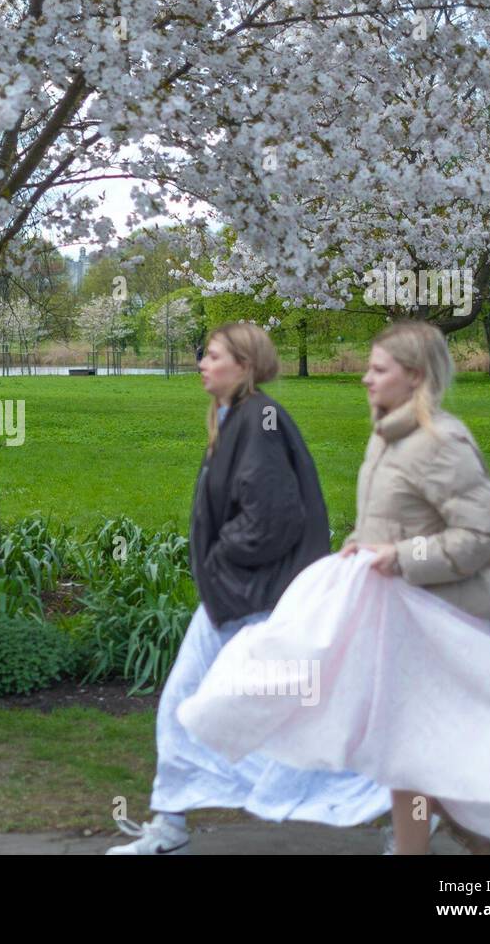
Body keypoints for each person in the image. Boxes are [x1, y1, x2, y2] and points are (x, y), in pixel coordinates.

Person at [177, 321, 490, 853]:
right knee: (407, 755)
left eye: (378, 369)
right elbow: (389, 520)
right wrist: (361, 544)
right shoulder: (388, 438)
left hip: (443, 621)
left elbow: (479, 539)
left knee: (436, 755)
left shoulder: (441, 444)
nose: (364, 379)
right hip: (404, 617)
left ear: (414, 376)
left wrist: (401, 557)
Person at [108, 322, 390, 855]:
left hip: (253, 598)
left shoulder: (258, 420)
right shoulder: (236, 417)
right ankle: (170, 825)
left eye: (212, 355)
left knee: (274, 719)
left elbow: (273, 518)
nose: (201, 363)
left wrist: (220, 562)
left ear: (244, 364)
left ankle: (397, 802)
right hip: (239, 596)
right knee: (194, 707)